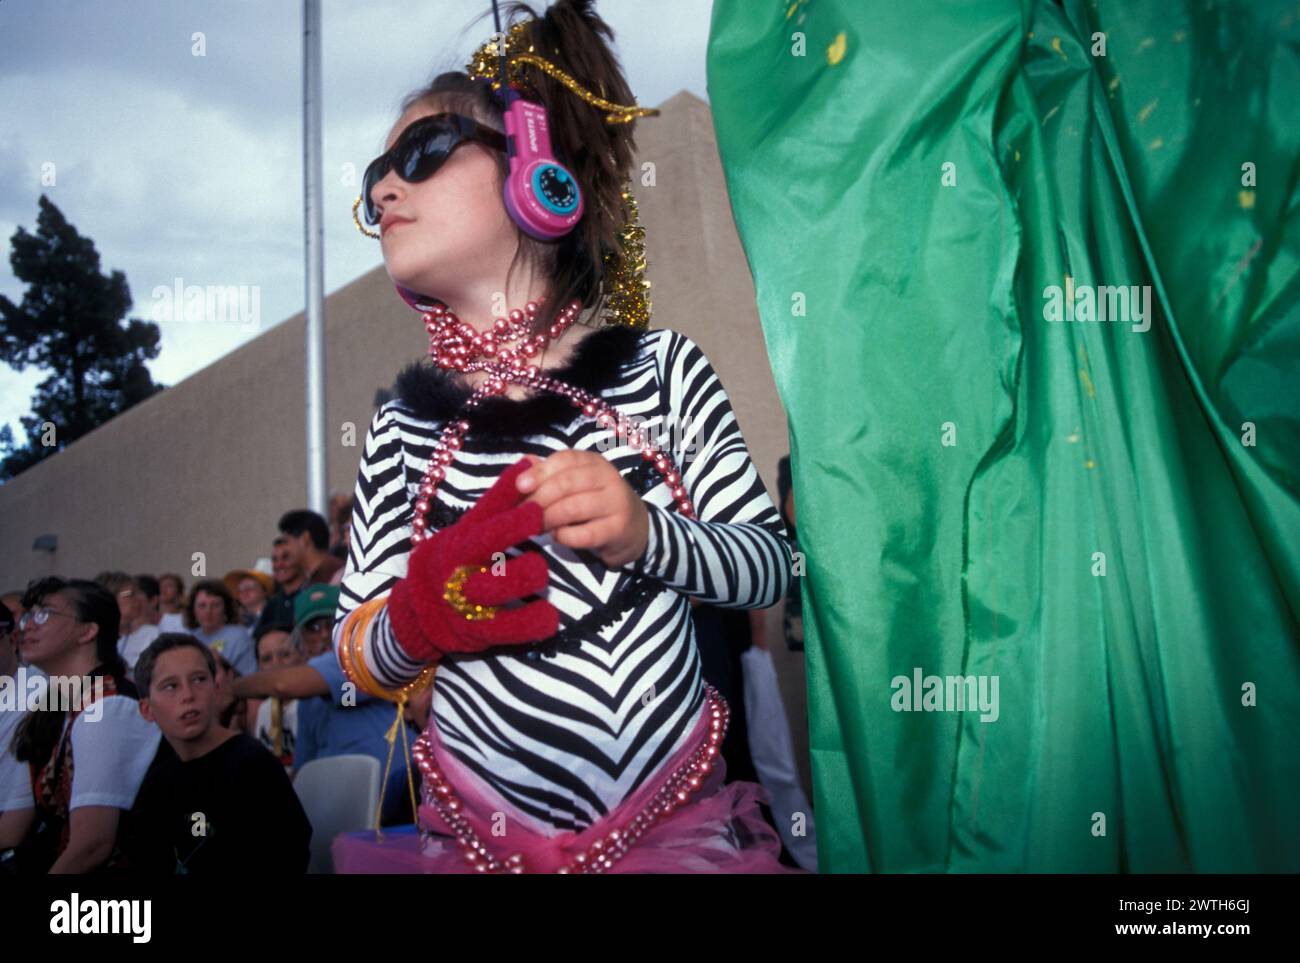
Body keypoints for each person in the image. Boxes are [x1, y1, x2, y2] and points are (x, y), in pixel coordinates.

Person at [333, 0, 796, 874]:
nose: (385, 189)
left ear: (534, 170)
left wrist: (648, 533)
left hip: (683, 842)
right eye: (375, 178)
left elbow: (772, 563)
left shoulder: (661, 370)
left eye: (420, 154)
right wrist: (416, 619)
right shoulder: (398, 426)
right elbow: (356, 660)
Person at [0, 578, 160, 873]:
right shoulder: (56, 706)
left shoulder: (108, 706)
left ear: (88, 631)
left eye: (45, 614)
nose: (27, 626)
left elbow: (91, 847)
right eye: (28, 615)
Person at [125, 633, 310, 873]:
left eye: (199, 680)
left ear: (216, 690)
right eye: (171, 686)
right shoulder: (159, 781)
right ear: (147, 709)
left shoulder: (252, 765)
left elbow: (290, 853)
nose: (188, 695)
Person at [252, 626, 303, 769]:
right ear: (259, 666)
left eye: (285, 655)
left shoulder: (316, 703)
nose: (276, 664)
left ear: (301, 656)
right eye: (267, 659)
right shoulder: (264, 709)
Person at [184, 580, 257, 675]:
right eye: (202, 606)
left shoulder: (239, 637)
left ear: (225, 609)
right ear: (193, 610)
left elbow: (249, 677)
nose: (208, 611)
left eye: (215, 605)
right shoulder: (191, 638)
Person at [96, 571, 160, 680]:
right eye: (130, 595)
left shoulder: (152, 635)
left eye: (138, 593)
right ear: (110, 598)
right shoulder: (92, 640)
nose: (139, 599)